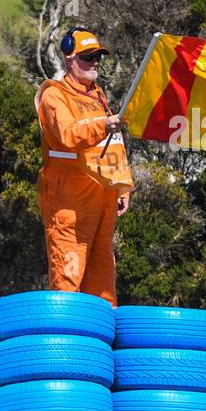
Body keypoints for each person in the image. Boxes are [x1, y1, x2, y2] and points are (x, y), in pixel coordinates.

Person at [34, 29, 133, 306]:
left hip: (103, 198)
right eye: (87, 57)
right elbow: (68, 134)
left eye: (98, 56)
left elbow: (112, 144)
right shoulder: (54, 96)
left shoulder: (97, 95)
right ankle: (67, 343)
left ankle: (99, 342)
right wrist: (102, 124)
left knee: (103, 282)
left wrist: (123, 185)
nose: (95, 62)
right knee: (69, 275)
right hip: (70, 204)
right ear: (69, 59)